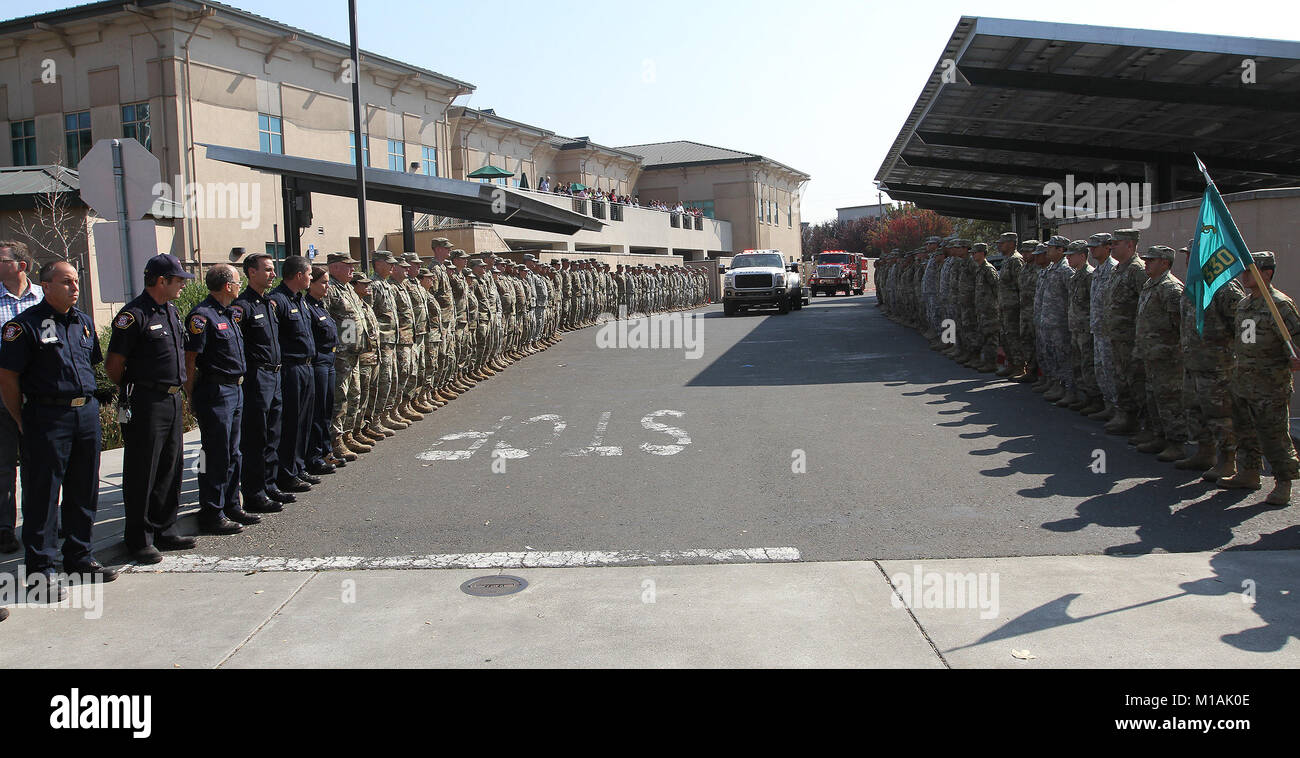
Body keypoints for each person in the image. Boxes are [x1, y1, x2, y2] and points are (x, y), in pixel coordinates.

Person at [0, 260, 117, 598]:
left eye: (76, 281)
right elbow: (8, 378)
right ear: (46, 286)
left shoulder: (82, 322)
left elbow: (90, 362)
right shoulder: (23, 326)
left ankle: (79, 558)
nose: (75, 287)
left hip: (85, 415)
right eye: (66, 281)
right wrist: (21, 418)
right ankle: (41, 573)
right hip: (47, 417)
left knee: (84, 491)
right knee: (43, 497)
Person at [106, 253, 196, 564]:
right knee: (143, 470)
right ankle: (139, 538)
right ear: (161, 281)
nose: (183, 285)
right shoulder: (134, 315)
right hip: (146, 401)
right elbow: (114, 365)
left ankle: (165, 528)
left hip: (171, 399)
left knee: (171, 466)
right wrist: (137, 388)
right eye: (178, 280)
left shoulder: (170, 311)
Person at [183, 263, 260, 534]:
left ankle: (231, 504)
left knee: (233, 452)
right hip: (215, 392)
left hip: (234, 390)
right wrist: (190, 395)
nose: (239, 287)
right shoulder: (201, 317)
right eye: (238, 282)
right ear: (228, 286)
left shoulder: (227, 313)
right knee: (215, 454)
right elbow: (190, 360)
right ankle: (212, 511)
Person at [1221, 251, 1300, 504]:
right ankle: (1249, 472)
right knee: (1244, 431)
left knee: (1274, 435)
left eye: (1249, 271)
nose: (1244, 275)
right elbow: (1244, 341)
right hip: (1243, 380)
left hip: (1270, 384)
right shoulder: (1245, 304)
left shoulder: (1280, 305)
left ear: (1266, 274)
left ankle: (1283, 482)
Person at [233, 253, 292, 509]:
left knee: (273, 434)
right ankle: (254, 492)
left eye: (272, 269)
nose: (272, 274)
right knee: (255, 437)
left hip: (275, 375)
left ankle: (269, 485)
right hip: (256, 377)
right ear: (251, 273)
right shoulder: (242, 306)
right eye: (267, 269)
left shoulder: (269, 304)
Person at [0, 239, 43, 555]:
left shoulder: (44, 297)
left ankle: (39, 523)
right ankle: (4, 529)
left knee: (40, 464)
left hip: (41, 398)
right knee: (3, 466)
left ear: (21, 265)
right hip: (2, 396)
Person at [268, 255, 317, 492]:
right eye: (309, 274)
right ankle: (286, 473)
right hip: (291, 368)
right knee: (291, 422)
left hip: (307, 366)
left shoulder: (301, 301)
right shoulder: (277, 301)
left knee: (304, 420)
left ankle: (298, 467)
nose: (310, 278)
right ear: (299, 275)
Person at [1133, 245, 1187, 461]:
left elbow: (1178, 326)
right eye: (1146, 260)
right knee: (1153, 397)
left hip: (1167, 357)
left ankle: (1176, 442)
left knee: (1169, 400)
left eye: (1151, 260)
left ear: (1165, 263)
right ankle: (1159, 436)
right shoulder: (1150, 284)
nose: (1146, 263)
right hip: (1150, 354)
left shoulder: (1171, 288)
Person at [304, 265, 341, 475]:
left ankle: (326, 450)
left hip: (329, 361)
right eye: (323, 282)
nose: (327, 286)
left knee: (327, 410)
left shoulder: (320, 305)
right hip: (318, 362)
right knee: (317, 412)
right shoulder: (307, 307)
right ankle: (315, 455)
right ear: (312, 284)